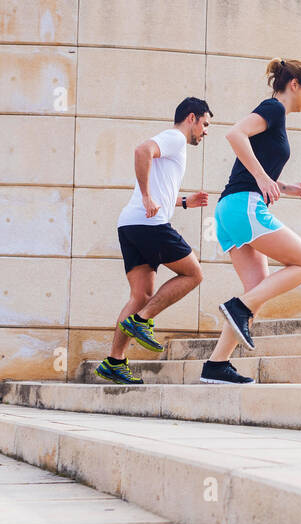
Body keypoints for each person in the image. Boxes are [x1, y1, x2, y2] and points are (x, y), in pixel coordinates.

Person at [199, 59, 301, 385]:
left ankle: (216, 365)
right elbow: (234, 134)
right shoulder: (273, 108)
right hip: (243, 207)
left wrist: (282, 185)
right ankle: (239, 307)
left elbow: (252, 167)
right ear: (293, 83)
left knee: (258, 291)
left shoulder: (275, 117)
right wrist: (264, 177)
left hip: (231, 207)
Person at [95, 97, 213, 384]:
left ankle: (114, 361)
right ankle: (142, 320)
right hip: (149, 224)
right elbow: (141, 150)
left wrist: (184, 201)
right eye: (205, 124)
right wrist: (147, 196)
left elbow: (162, 193)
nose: (205, 131)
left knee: (140, 295)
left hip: (131, 225)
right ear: (191, 118)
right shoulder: (175, 137)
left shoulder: (173, 144)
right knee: (194, 273)